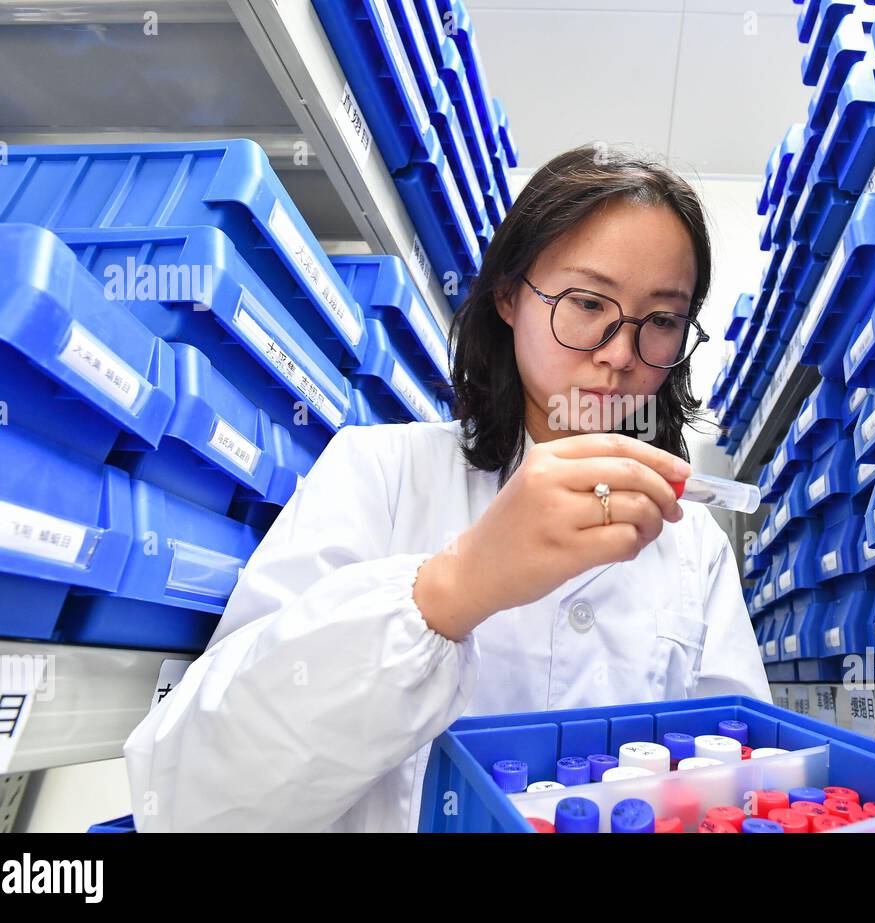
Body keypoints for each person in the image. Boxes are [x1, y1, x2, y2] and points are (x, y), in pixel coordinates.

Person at [123, 144, 769, 832]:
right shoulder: (379, 471)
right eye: (587, 302)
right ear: (509, 295)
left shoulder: (694, 545)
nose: (619, 352)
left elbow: (740, 784)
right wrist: (452, 588)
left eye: (661, 320)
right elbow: (191, 794)